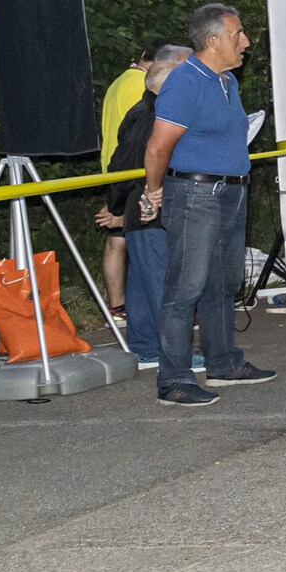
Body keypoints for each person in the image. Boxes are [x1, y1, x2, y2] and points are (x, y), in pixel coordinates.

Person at [138, 4, 277, 406]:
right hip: (195, 196)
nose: (245, 42)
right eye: (238, 35)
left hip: (231, 192)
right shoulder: (185, 82)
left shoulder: (226, 80)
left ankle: (224, 362)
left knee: (223, 284)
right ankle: (173, 380)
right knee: (185, 289)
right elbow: (157, 147)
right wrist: (153, 191)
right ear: (213, 41)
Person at [101, 44, 188, 370]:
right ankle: (174, 355)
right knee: (161, 283)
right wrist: (117, 208)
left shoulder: (148, 112)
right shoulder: (150, 117)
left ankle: (144, 347)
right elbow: (124, 165)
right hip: (146, 207)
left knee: (141, 281)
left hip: (142, 207)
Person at [96, 42, 177, 316]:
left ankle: (120, 305)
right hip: (132, 175)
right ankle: (121, 306)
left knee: (119, 242)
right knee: (129, 242)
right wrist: (117, 203)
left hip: (117, 170)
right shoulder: (140, 88)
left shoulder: (119, 81)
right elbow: (142, 141)